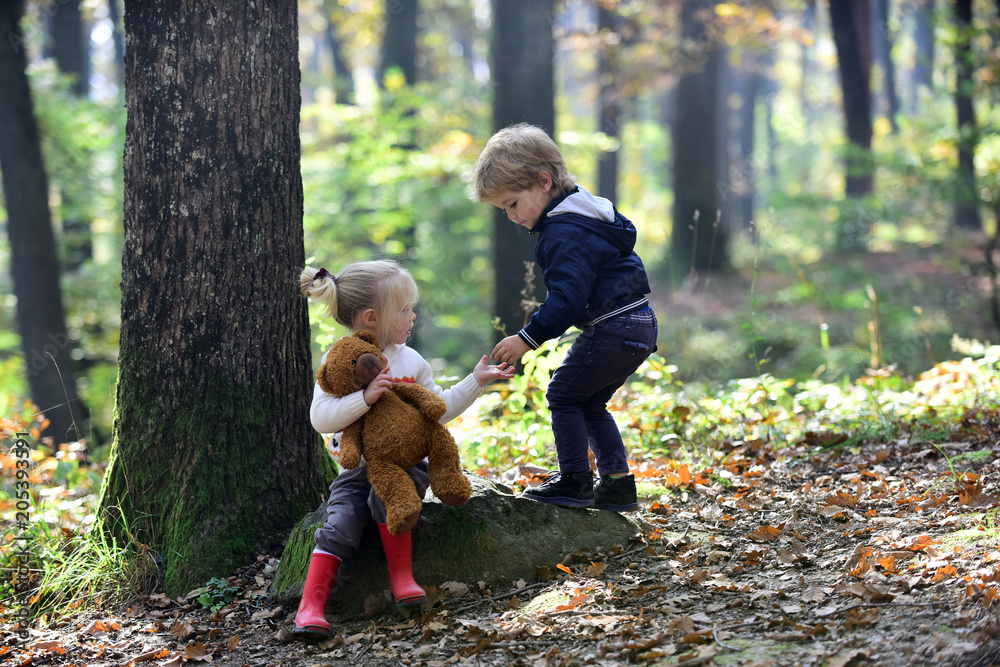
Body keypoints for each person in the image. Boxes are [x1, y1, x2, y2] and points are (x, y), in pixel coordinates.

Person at [293, 260, 513, 639]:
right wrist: (364, 398)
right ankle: (310, 608)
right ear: (372, 317)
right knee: (341, 524)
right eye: (405, 309)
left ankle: (403, 581)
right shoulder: (339, 362)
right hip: (355, 469)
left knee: (391, 499)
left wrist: (475, 382)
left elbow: (437, 408)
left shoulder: (411, 362)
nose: (413, 316)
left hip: (406, 465)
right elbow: (321, 417)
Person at [472, 122, 658, 513]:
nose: (510, 216)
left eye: (511, 204)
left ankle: (575, 479)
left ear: (543, 181)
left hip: (614, 326)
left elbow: (567, 300)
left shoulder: (562, 233)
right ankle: (618, 484)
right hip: (639, 323)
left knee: (562, 394)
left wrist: (527, 338)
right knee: (588, 402)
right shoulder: (590, 213)